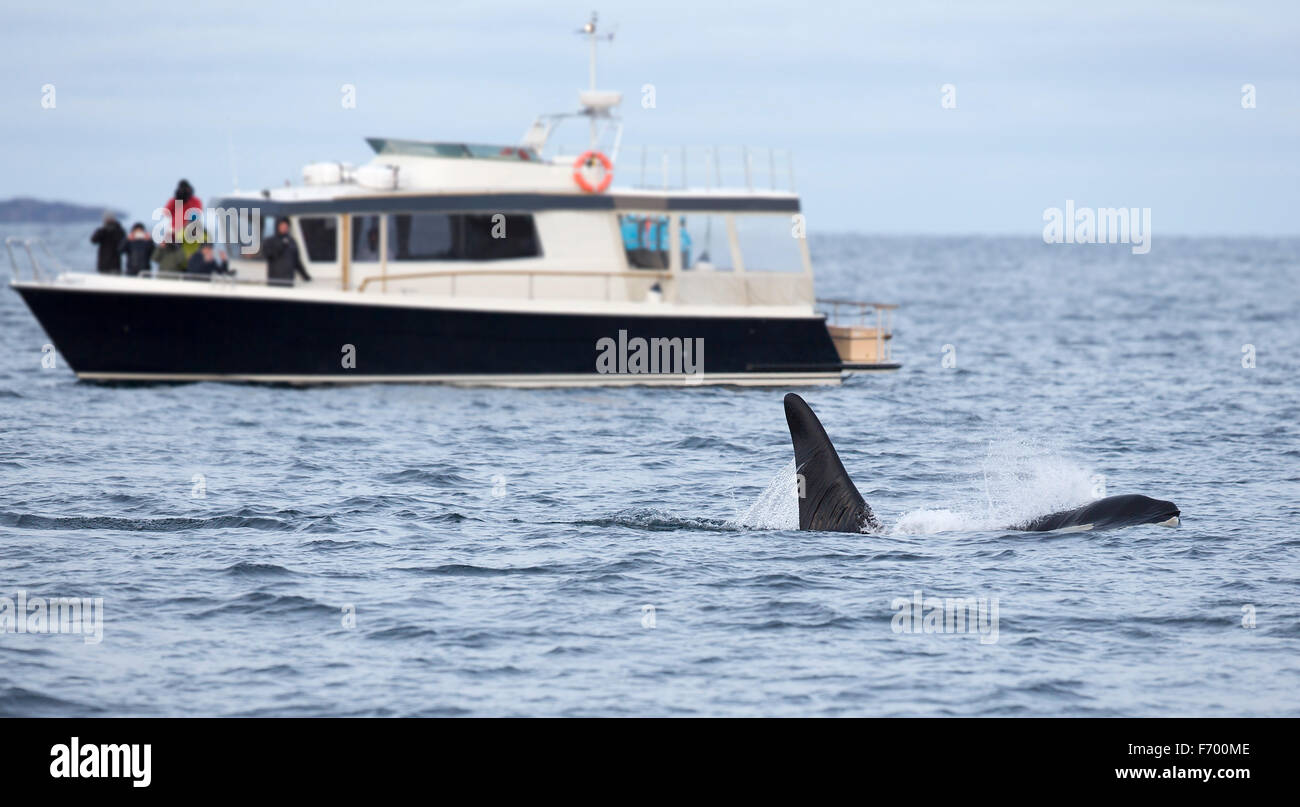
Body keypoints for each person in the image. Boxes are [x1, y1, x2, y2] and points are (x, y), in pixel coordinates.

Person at [263, 217, 312, 286]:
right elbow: (268, 255)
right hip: (274, 281)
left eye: (286, 226)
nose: (284, 227)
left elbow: (297, 262)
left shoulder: (292, 242)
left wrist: (305, 276)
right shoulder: (269, 241)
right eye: (282, 225)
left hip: (288, 280)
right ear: (277, 226)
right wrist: (281, 245)